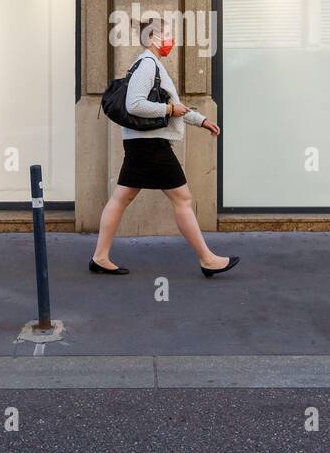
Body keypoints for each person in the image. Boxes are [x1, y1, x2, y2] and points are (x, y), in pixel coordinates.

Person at [90, 16, 238, 278]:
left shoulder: (150, 64)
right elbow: (135, 105)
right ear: (154, 38)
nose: (172, 40)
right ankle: (208, 259)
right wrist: (170, 109)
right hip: (151, 146)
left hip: (141, 144)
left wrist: (200, 120)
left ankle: (100, 256)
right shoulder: (147, 64)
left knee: (123, 196)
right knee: (182, 198)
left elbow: (172, 106)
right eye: (168, 35)